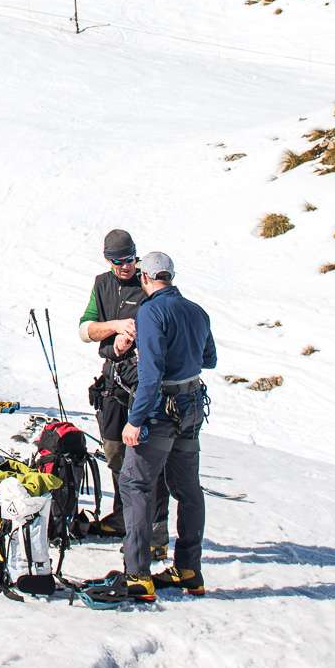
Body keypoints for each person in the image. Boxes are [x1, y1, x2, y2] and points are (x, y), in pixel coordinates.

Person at [105, 251, 216, 603]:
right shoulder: (197, 311)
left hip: (161, 410)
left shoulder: (151, 311)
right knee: (186, 486)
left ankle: (138, 574)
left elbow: (151, 373)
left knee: (135, 482)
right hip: (192, 405)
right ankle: (188, 569)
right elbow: (209, 359)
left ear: (146, 278)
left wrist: (135, 420)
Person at [77, 228, 167, 547]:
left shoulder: (148, 281)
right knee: (115, 452)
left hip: (145, 380)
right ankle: (121, 516)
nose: (125, 266)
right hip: (112, 380)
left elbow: (166, 319)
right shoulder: (102, 284)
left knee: (146, 456)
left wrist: (139, 335)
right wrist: (115, 330)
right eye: (118, 261)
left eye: (129, 259)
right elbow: (85, 329)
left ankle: (154, 528)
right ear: (108, 260)